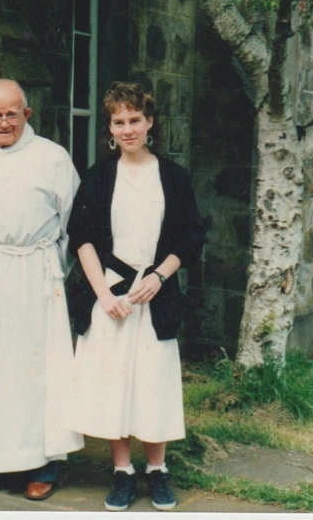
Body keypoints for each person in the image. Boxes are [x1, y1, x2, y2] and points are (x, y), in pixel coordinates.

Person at [66, 81, 205, 511]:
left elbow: (189, 235)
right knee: (113, 383)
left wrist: (161, 276)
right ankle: (122, 471)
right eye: (119, 121)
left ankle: (157, 470)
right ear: (110, 127)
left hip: (154, 293)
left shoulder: (174, 177)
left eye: (135, 120)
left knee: (152, 382)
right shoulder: (99, 176)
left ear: (150, 123)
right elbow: (82, 236)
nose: (128, 129)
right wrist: (102, 293)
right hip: (112, 292)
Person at [0, 79, 84, 501]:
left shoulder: (52, 157)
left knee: (33, 371)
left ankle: (43, 463)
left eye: (13, 113)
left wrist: (49, 267)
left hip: (34, 274)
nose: (4, 121)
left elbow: (73, 223)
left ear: (27, 115)